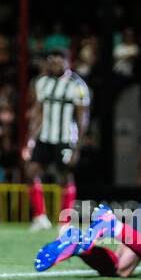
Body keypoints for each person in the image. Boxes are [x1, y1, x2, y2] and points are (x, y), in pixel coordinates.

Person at [21, 49, 90, 230]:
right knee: (31, 171)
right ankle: (40, 217)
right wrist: (30, 139)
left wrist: (77, 147)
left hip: (66, 137)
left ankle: (65, 222)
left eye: (58, 61)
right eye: (51, 62)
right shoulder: (42, 82)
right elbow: (37, 111)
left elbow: (83, 118)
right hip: (44, 136)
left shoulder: (78, 85)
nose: (54, 65)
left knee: (65, 176)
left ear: (68, 62)